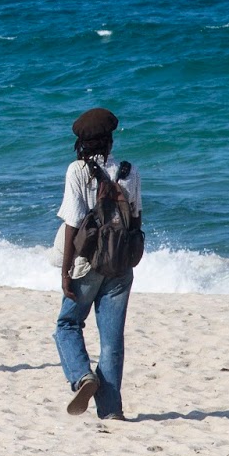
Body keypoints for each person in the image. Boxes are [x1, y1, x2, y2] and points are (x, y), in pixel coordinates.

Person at [54, 107, 142, 420]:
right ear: (109, 140)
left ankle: (82, 376)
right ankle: (111, 409)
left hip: (88, 263)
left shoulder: (77, 171)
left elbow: (73, 223)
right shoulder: (129, 172)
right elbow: (136, 219)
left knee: (67, 325)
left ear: (81, 142)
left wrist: (66, 271)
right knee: (112, 340)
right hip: (120, 265)